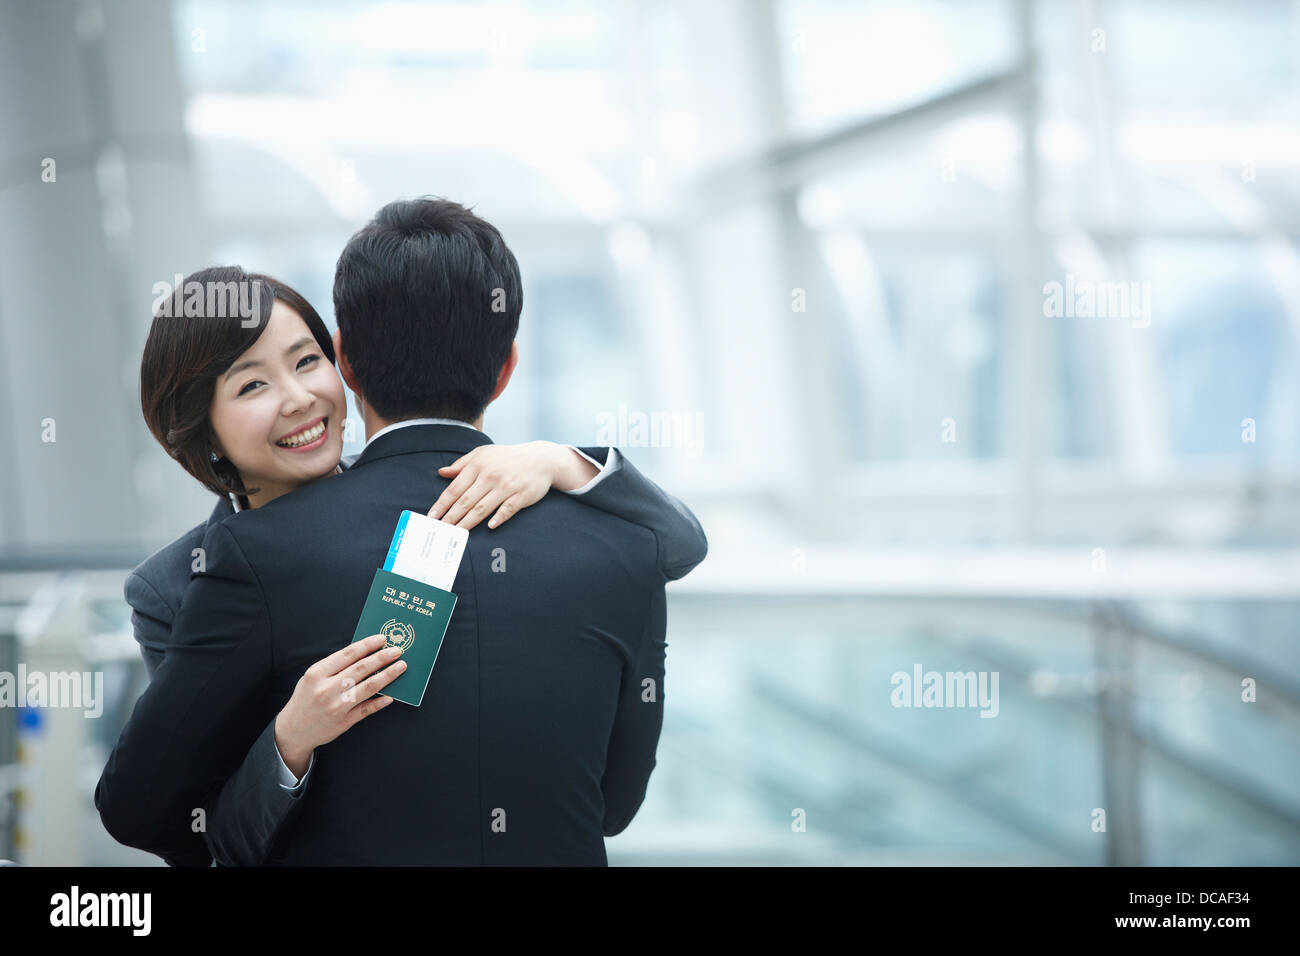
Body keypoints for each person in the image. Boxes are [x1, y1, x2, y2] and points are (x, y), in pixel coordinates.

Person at [97, 197, 700, 864]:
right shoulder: (187, 581)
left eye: (306, 361)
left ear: (343, 363)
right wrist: (289, 742)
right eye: (250, 386)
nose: (298, 399)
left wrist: (566, 460)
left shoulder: (277, 548)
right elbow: (184, 825)